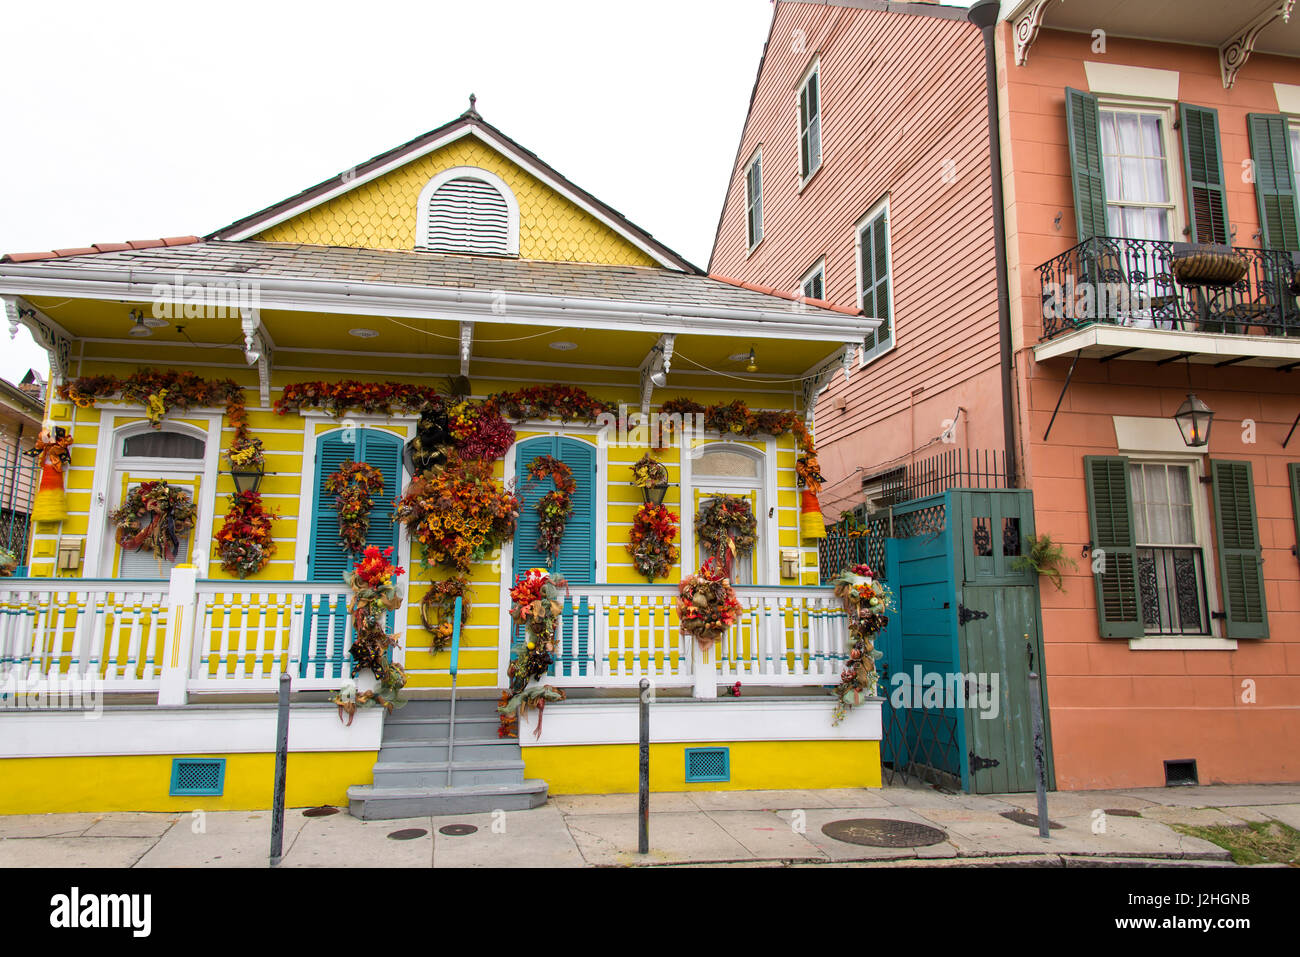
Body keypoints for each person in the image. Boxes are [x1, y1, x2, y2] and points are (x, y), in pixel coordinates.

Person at [27, 426, 73, 523]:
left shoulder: (57, 448)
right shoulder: (48, 448)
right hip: (49, 470)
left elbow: (63, 456)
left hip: (55, 471)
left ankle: (52, 510)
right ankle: (46, 510)